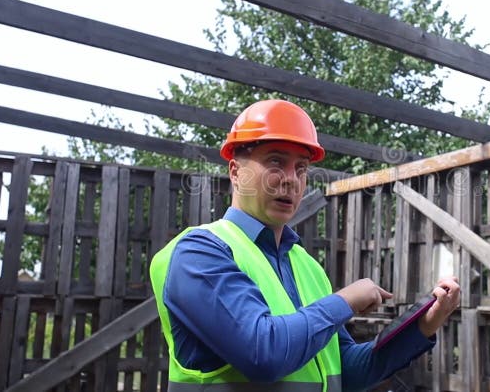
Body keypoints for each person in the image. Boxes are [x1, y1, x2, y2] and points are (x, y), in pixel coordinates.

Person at [150, 99, 461, 391]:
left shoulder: (307, 266)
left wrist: (422, 327)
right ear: (235, 172)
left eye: (301, 168)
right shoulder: (198, 254)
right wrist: (346, 301)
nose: (291, 179)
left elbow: (346, 372)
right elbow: (263, 353)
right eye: (275, 162)